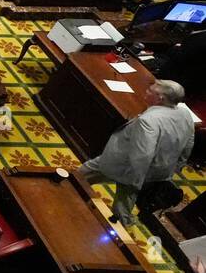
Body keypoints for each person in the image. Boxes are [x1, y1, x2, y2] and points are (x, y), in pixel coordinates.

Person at [80, 79, 195, 225]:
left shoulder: (148, 121)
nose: (146, 92)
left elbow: (143, 155)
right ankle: (122, 231)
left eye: (150, 91)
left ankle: (66, 190)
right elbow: (188, 145)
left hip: (126, 167)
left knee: (84, 173)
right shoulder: (185, 114)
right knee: (124, 202)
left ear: (160, 98)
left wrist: (135, 181)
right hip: (157, 171)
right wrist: (176, 167)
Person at [150, 29, 206, 96]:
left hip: (175, 81)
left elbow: (180, 56)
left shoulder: (202, 39)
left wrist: (175, 48)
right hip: (195, 84)